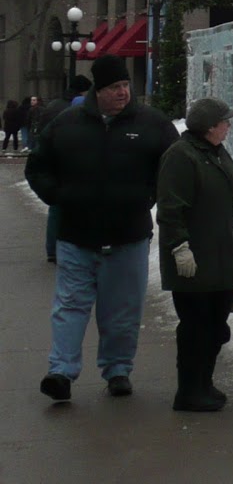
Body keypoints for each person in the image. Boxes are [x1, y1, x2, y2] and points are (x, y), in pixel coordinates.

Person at [26, 55, 178, 402]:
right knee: (69, 306)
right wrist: (56, 195)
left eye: (125, 85)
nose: (122, 92)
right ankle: (61, 372)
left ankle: (118, 369)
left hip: (129, 236)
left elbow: (172, 166)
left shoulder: (153, 124)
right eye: (114, 88)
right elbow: (37, 166)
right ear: (99, 90)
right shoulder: (67, 125)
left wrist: (149, 196)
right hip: (76, 236)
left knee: (121, 310)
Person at [157, 97, 233, 413]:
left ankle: (204, 383)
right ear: (210, 126)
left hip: (219, 255)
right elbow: (171, 209)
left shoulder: (215, 152)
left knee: (215, 324)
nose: (229, 126)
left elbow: (218, 201)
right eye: (225, 121)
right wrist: (179, 248)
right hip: (194, 259)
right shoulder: (180, 156)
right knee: (195, 326)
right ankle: (188, 390)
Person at [38, 76, 92, 264]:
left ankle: (52, 248)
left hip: (54, 163)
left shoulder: (53, 106)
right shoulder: (79, 109)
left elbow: (42, 135)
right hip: (72, 164)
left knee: (56, 207)